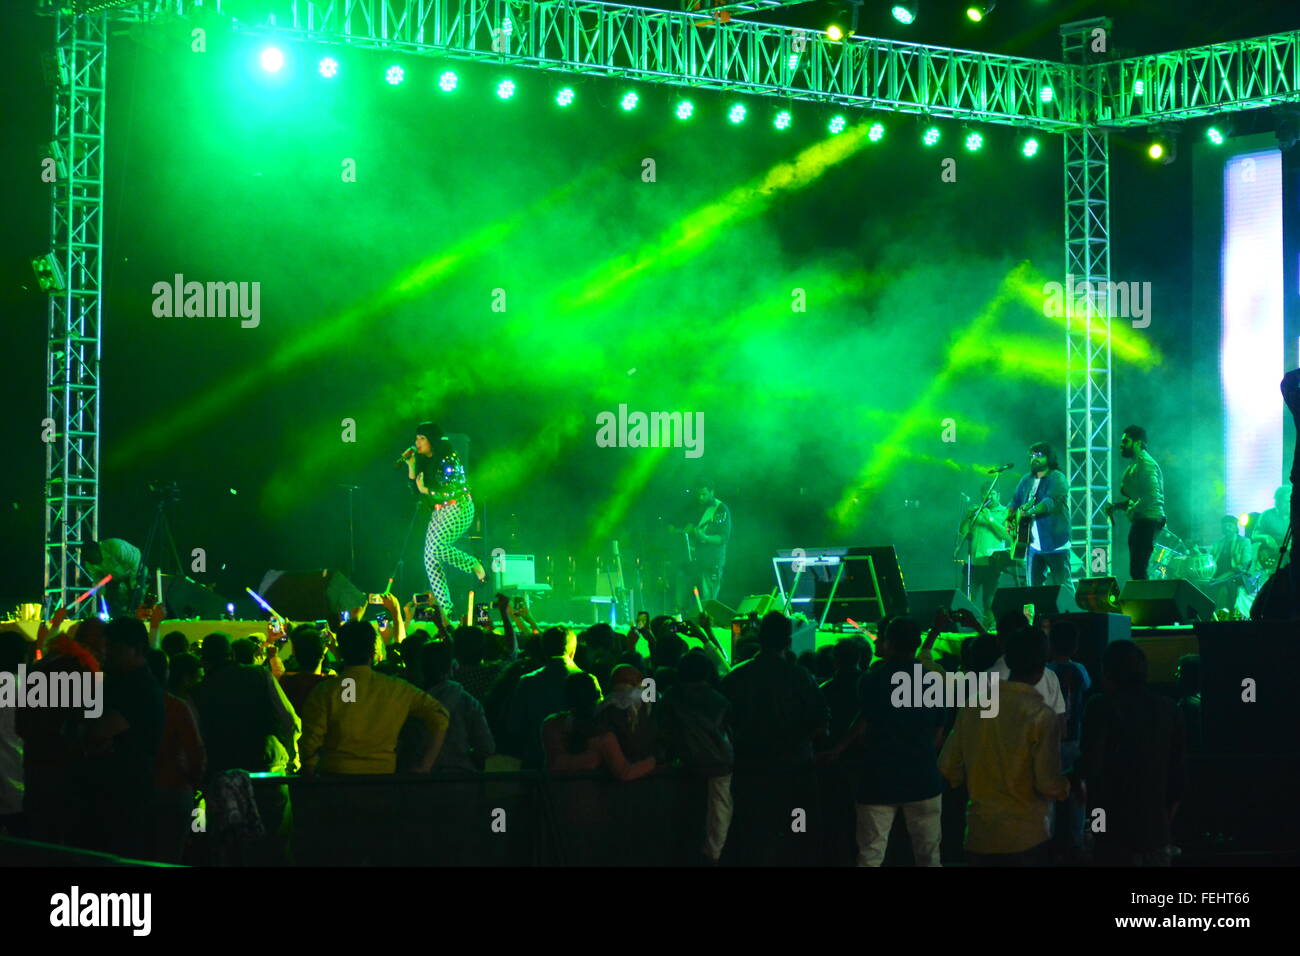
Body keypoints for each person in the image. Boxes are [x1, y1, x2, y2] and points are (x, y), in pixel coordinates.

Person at [939, 627, 1070, 865]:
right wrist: (1068, 786)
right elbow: (1048, 785)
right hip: (1027, 837)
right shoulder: (1041, 716)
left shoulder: (972, 707)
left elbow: (947, 767)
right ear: (1044, 664)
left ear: (1007, 659)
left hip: (979, 835)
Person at [835, 618, 947, 867]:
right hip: (923, 778)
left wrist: (838, 749)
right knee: (929, 855)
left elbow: (864, 722)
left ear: (888, 643)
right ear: (916, 643)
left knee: (870, 854)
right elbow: (939, 729)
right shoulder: (931, 681)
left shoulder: (870, 681)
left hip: (879, 777)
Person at [1079, 640, 1186, 866]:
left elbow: (1091, 768)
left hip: (1111, 827)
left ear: (1107, 672)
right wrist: (1164, 823)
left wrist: (1093, 825)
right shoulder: (1169, 708)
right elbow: (1178, 775)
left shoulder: (1099, 706)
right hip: (1155, 827)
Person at [299, 622, 450, 775]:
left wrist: (310, 773)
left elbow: (310, 744)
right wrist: (425, 766)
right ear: (372, 651)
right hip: (382, 781)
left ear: (340, 652)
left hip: (336, 782)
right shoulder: (397, 688)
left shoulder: (325, 692)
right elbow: (440, 716)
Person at [87, 618, 166, 858]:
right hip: (114, 792)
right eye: (106, 647)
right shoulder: (119, 681)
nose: (107, 654)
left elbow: (99, 731)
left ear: (138, 650)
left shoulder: (138, 686)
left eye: (115, 649)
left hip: (127, 794)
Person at [401, 422, 485, 621]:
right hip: (439, 512)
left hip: (459, 507)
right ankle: (446, 609)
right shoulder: (424, 461)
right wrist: (411, 466)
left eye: (422, 438)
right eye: (416, 438)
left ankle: (474, 564)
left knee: (437, 549)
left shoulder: (449, 458)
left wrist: (427, 491)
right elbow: (417, 493)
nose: (417, 442)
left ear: (432, 440)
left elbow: (454, 491)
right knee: (429, 558)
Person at [657, 651, 735, 863]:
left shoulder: (671, 698)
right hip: (719, 768)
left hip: (683, 767)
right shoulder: (720, 699)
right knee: (717, 824)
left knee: (684, 825)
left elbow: (663, 733)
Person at [541, 672, 656, 781]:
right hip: (590, 797)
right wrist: (654, 761)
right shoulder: (603, 735)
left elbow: (554, 764)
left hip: (555, 796)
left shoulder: (551, 724)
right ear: (596, 697)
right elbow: (625, 772)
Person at [505, 626, 584, 769]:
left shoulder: (526, 681)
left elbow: (514, 726)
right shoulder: (588, 680)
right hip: (578, 763)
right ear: (573, 651)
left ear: (543, 650)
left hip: (535, 763)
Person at [420, 641, 495, 773]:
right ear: (452, 667)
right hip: (460, 779)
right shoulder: (468, 702)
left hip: (413, 781)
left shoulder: (406, 698)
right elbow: (486, 749)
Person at [1104, 425, 1166, 580]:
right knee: (1137, 570)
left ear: (1138, 443)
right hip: (1143, 521)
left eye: (1126, 441)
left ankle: (1148, 603)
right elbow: (1139, 498)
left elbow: (1152, 497)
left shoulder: (1146, 465)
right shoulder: (1136, 464)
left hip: (1148, 520)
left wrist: (1132, 509)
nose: (1121, 445)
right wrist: (1118, 506)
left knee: (1139, 569)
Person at [1009, 443, 1071, 587]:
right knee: (1034, 589)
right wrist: (1009, 520)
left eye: (1038, 455)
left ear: (1049, 457)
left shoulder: (1057, 477)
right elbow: (1014, 502)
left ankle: (1071, 609)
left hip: (1056, 542)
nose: (1034, 459)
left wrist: (1029, 512)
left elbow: (1049, 503)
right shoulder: (1026, 480)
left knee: (1063, 587)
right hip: (1032, 545)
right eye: (1031, 456)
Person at [958, 482, 1013, 628]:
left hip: (992, 565)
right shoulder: (977, 511)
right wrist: (967, 517)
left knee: (989, 604)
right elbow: (962, 532)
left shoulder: (1005, 512)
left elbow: (1008, 536)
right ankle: (965, 632)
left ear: (998, 495)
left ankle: (989, 634)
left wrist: (990, 520)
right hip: (973, 564)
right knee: (966, 601)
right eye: (985, 494)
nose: (988, 497)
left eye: (992, 494)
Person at [678, 480, 732, 614]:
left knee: (708, 602)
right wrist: (685, 530)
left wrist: (705, 538)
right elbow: (688, 528)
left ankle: (709, 628)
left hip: (711, 562)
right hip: (693, 562)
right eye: (698, 494)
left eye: (704, 494)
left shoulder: (720, 509)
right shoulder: (694, 507)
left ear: (712, 492)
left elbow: (723, 538)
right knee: (689, 601)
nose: (700, 497)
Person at [1208, 515, 1255, 615]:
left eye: (1229, 525)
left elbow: (1243, 566)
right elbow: (1210, 560)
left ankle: (1221, 617)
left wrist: (1220, 578)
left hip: (1236, 576)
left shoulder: (1244, 542)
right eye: (1224, 526)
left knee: (1223, 589)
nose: (1226, 528)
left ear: (1236, 527)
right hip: (1217, 576)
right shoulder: (1218, 544)